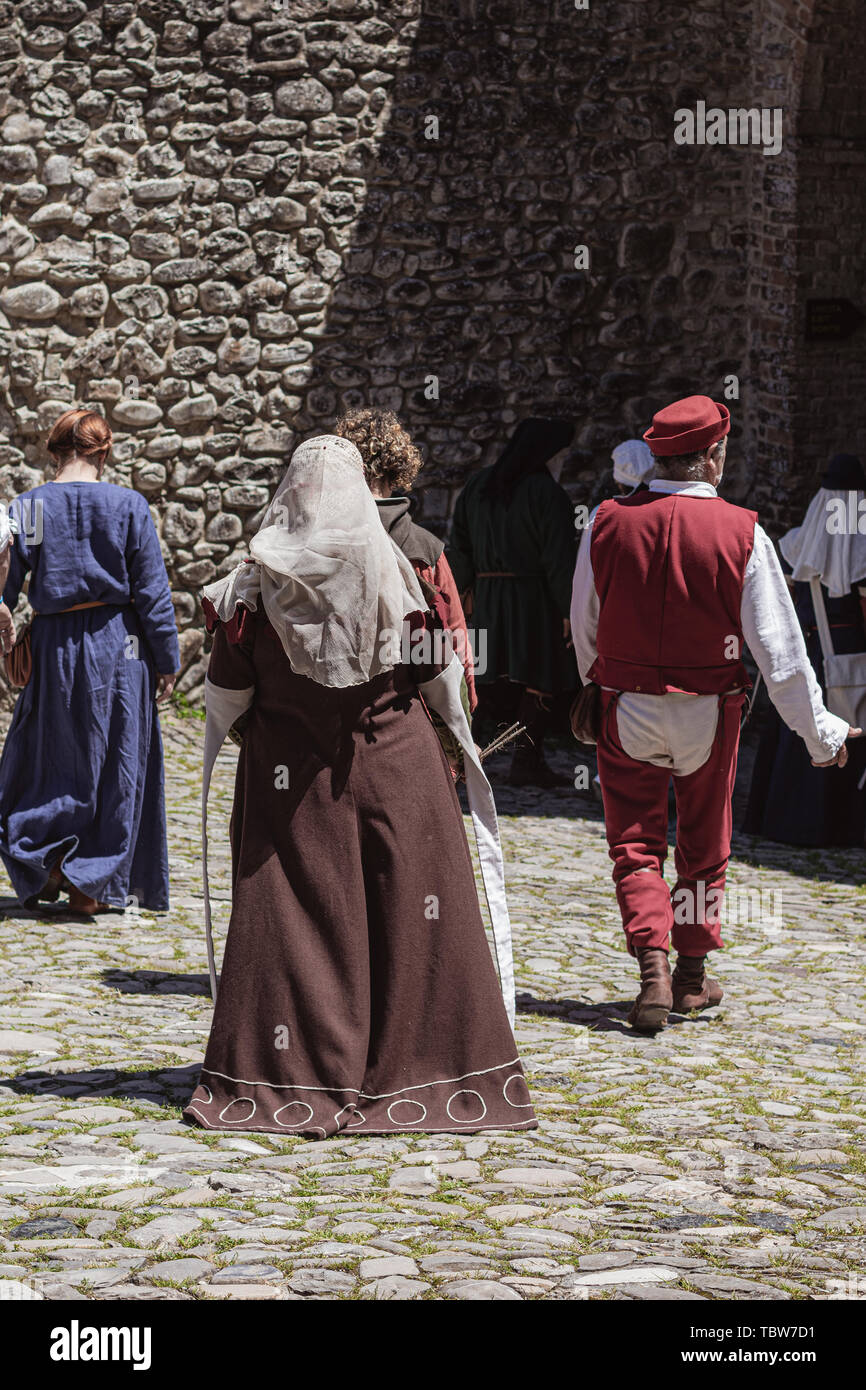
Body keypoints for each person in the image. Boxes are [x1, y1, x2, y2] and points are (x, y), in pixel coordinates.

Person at [184, 434, 535, 1137]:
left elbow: (227, 688)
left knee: (298, 919)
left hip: (292, 784)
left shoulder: (253, 585)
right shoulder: (402, 576)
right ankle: (423, 1075)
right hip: (397, 774)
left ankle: (288, 1077)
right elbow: (445, 681)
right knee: (410, 912)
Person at [570, 396, 861, 1031]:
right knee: (704, 843)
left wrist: (602, 680)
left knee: (635, 844)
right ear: (715, 457)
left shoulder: (606, 521)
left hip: (628, 705)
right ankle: (691, 976)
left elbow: (584, 623)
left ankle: (651, 967)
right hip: (708, 709)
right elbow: (780, 654)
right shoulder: (744, 532)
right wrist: (822, 735)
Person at [0, 409, 180, 914]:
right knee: (115, 764)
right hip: (119, 648)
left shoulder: (29, 507)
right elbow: (152, 595)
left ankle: (51, 862)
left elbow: (5, 590)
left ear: (55, 451)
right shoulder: (128, 505)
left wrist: (9, 628)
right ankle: (89, 886)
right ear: (104, 452)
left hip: (54, 646)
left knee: (49, 760)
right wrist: (166, 661)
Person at [447, 417, 577, 787]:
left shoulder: (477, 486)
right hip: (533, 602)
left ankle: (470, 756)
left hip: (487, 598)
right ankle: (525, 759)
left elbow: (460, 550)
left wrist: (456, 600)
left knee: (489, 678)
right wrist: (568, 610)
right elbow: (558, 559)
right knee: (539, 677)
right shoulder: (547, 494)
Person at [744, 453, 866, 845]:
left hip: (811, 655)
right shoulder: (861, 549)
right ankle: (846, 827)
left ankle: (795, 822)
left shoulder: (801, 544)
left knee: (801, 735)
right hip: (852, 657)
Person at [334, 407, 477, 711]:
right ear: (397, 469)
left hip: (332, 712)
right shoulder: (425, 549)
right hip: (410, 713)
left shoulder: (320, 542)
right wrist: (466, 714)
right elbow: (456, 641)